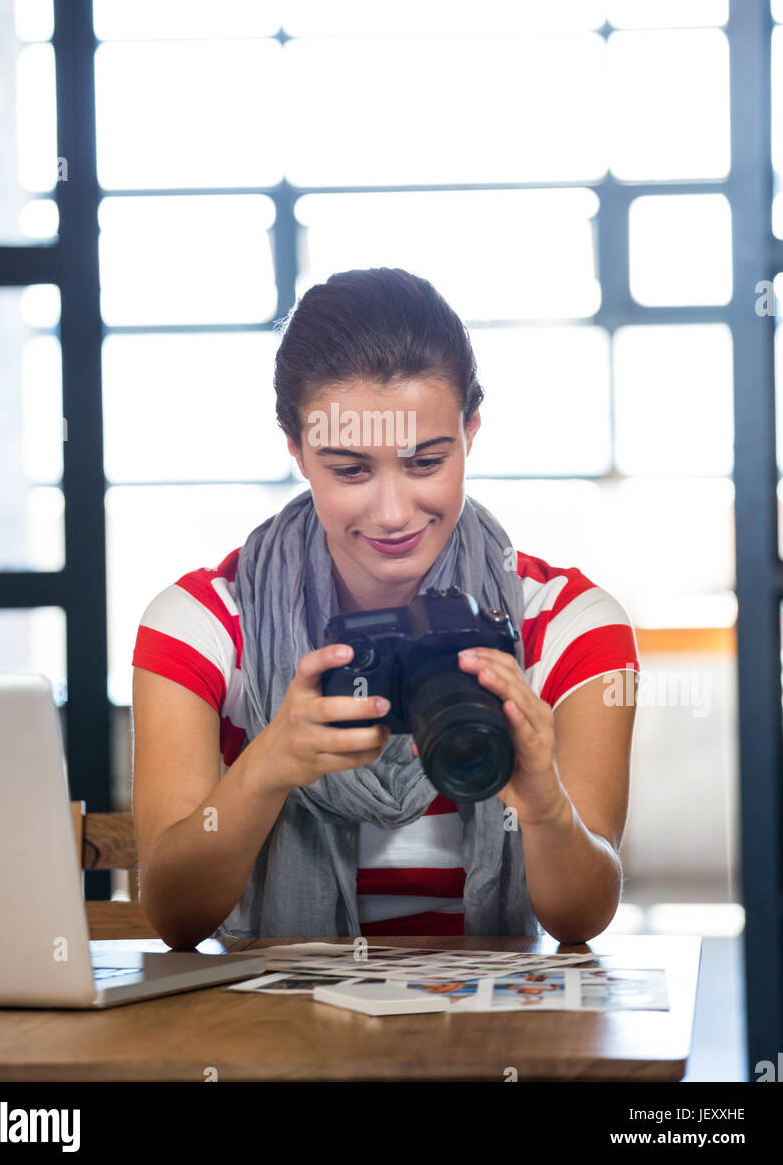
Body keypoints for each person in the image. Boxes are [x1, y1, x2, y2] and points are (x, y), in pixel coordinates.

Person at [131, 267, 639, 947]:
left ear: (471, 434)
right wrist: (269, 765)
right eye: (350, 471)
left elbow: (582, 918)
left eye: (427, 462)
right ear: (296, 449)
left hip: (493, 1044)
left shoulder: (571, 628)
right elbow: (172, 914)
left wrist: (546, 807)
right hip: (274, 1042)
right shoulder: (201, 626)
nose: (395, 513)